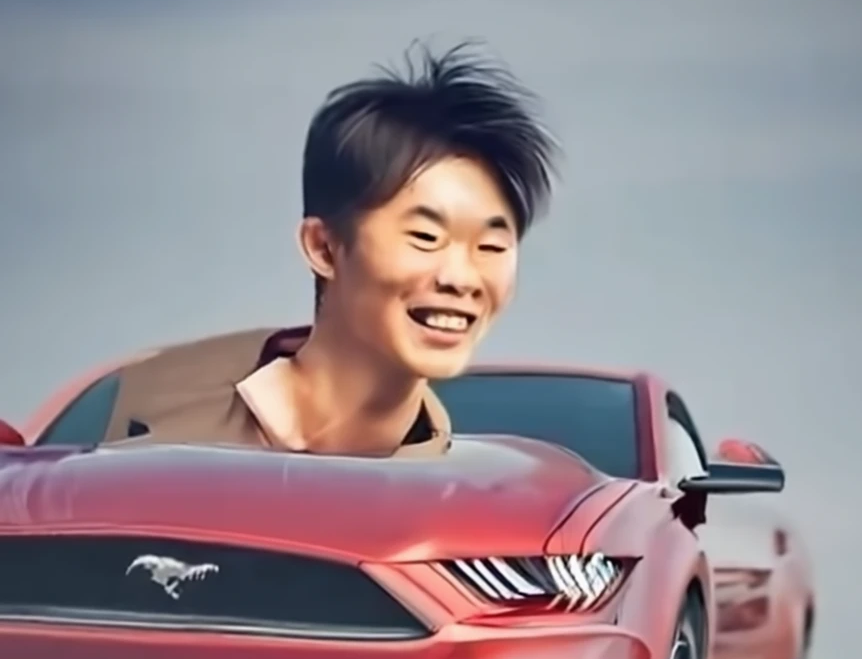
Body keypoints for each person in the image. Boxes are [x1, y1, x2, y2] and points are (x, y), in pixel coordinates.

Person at [104, 41, 560, 457]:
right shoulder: (148, 402)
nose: (460, 278)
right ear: (323, 247)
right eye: (425, 238)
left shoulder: (469, 502)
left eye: (491, 245)